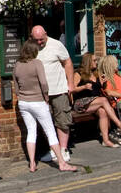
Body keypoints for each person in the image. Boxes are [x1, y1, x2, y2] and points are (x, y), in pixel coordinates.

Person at [14, 40, 79, 172]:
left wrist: (20, 96)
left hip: (23, 103)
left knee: (31, 132)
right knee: (51, 133)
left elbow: (15, 85)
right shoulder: (37, 63)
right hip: (38, 101)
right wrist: (46, 96)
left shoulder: (18, 64)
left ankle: (32, 163)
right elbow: (43, 83)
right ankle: (62, 163)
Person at [29, 25, 74, 163]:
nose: (39, 42)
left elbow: (68, 63)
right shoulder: (31, 47)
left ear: (46, 34)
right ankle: (53, 151)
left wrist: (70, 84)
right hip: (40, 93)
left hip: (58, 90)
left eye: (41, 39)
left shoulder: (56, 44)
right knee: (46, 123)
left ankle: (64, 150)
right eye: (36, 40)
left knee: (62, 121)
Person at [72, 53, 121, 147]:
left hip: (95, 102)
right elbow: (72, 89)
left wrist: (102, 82)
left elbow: (100, 89)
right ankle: (120, 125)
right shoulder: (78, 73)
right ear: (88, 62)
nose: (96, 63)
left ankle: (105, 140)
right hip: (81, 103)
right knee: (103, 100)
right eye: (94, 61)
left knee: (102, 111)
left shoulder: (96, 74)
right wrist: (84, 87)